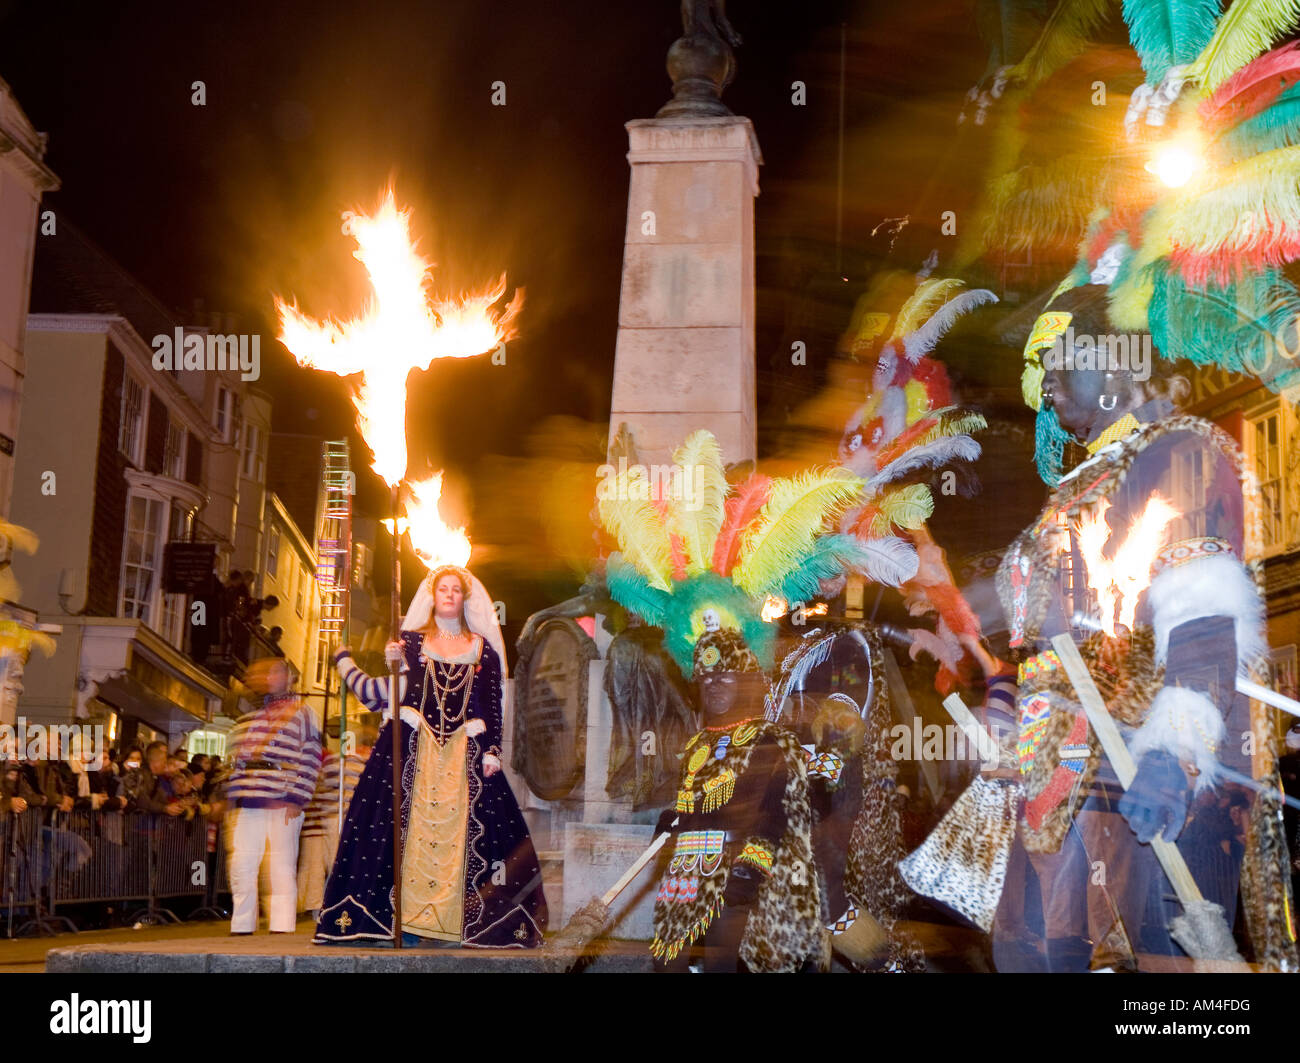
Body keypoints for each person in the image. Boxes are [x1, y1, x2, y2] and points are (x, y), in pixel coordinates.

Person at [315, 564, 548, 948]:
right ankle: (397, 924)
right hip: (411, 747)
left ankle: (455, 924)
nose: (450, 594)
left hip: (465, 751)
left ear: (464, 598)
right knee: (393, 831)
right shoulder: (409, 642)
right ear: (433, 595)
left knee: (481, 837)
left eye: (457, 589)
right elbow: (382, 695)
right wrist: (365, 662)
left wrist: (491, 750)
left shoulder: (482, 649)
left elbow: (491, 704)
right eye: (444, 588)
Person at [225, 657, 322, 934]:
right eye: (268, 672)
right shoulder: (251, 718)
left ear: (291, 677)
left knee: (280, 865)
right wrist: (234, 795)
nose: (270, 676)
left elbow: (312, 757)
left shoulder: (304, 713)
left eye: (277, 670)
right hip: (250, 798)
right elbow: (237, 761)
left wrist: (298, 797)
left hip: (283, 797)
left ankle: (281, 926)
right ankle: (242, 924)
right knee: (242, 862)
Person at [298, 724, 372, 918]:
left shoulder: (333, 761)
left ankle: (329, 908)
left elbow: (322, 787)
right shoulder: (363, 761)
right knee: (341, 863)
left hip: (333, 818)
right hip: (348, 818)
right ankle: (336, 907)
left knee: (333, 863)